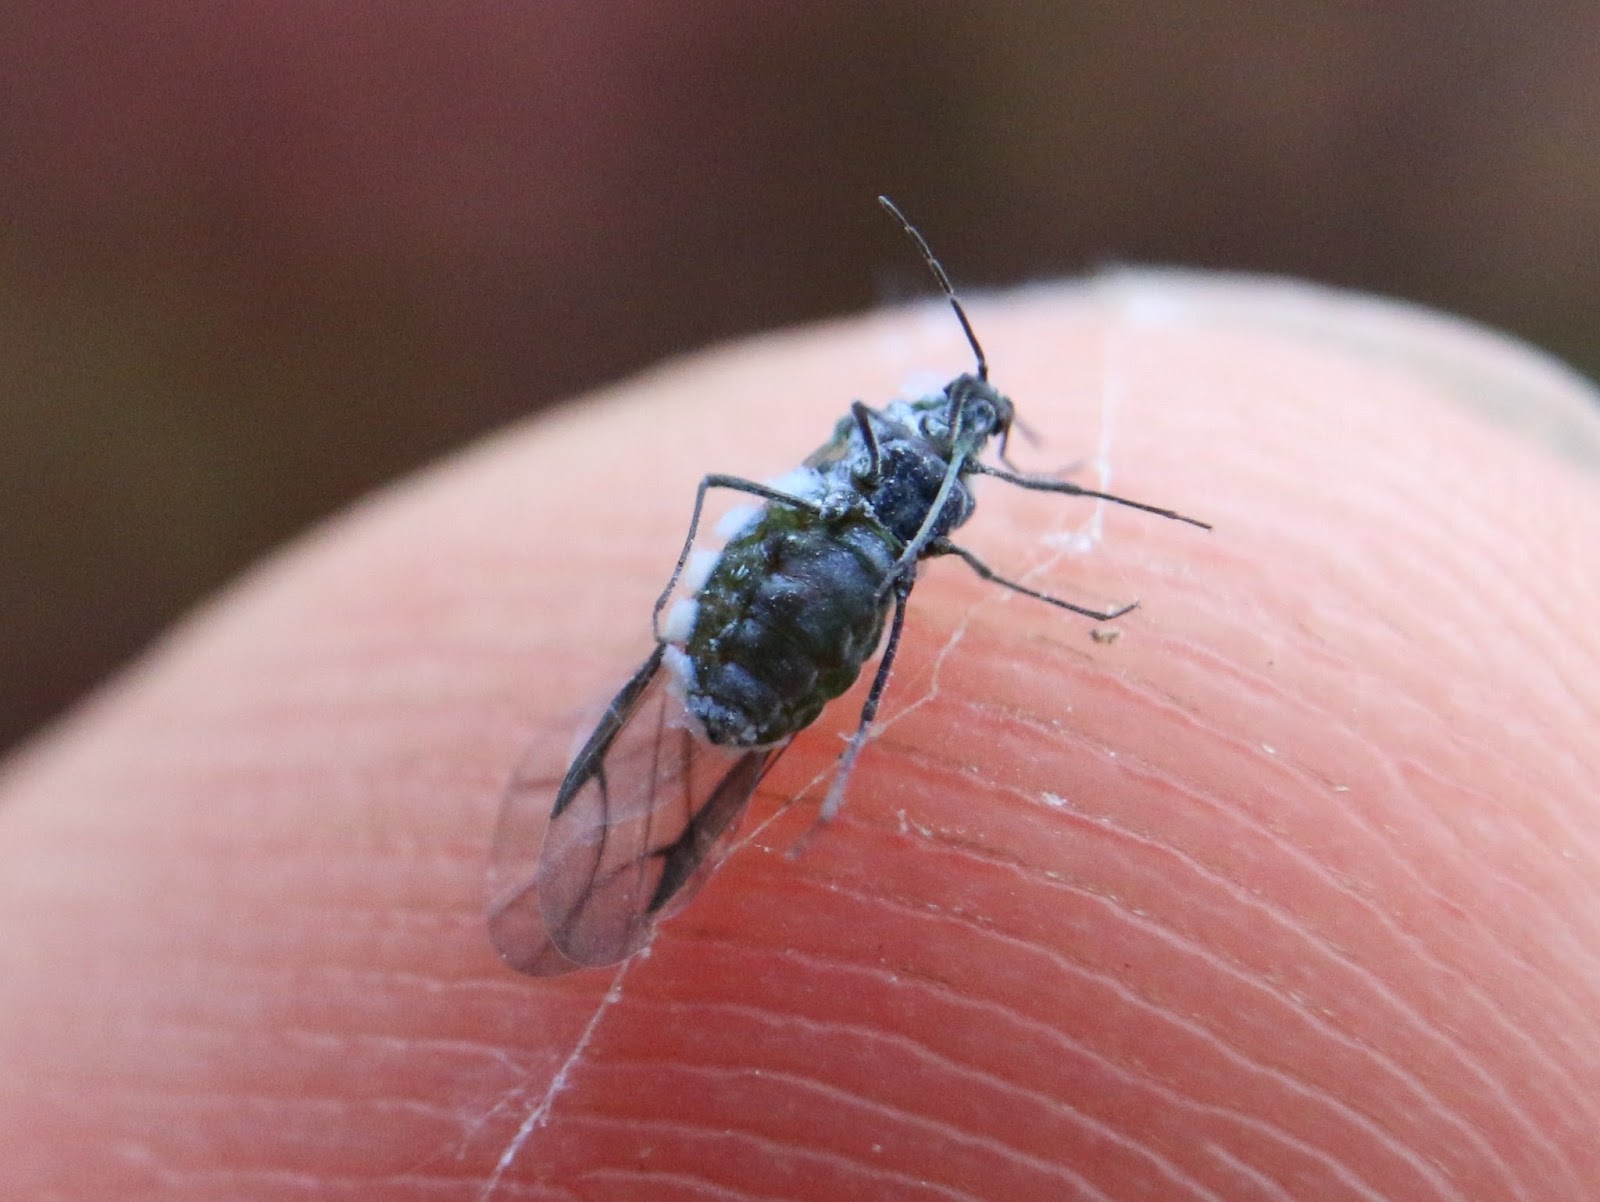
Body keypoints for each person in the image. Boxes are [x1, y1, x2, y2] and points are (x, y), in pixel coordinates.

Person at [3, 274, 1598, 1198]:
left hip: (794, 594)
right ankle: (744, 737)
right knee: (877, 596)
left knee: (881, 596)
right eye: (977, 423)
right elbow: (912, 544)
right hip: (784, 596)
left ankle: (753, 746)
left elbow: (921, 542)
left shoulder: (928, 468)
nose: (976, 432)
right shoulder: (906, 461)